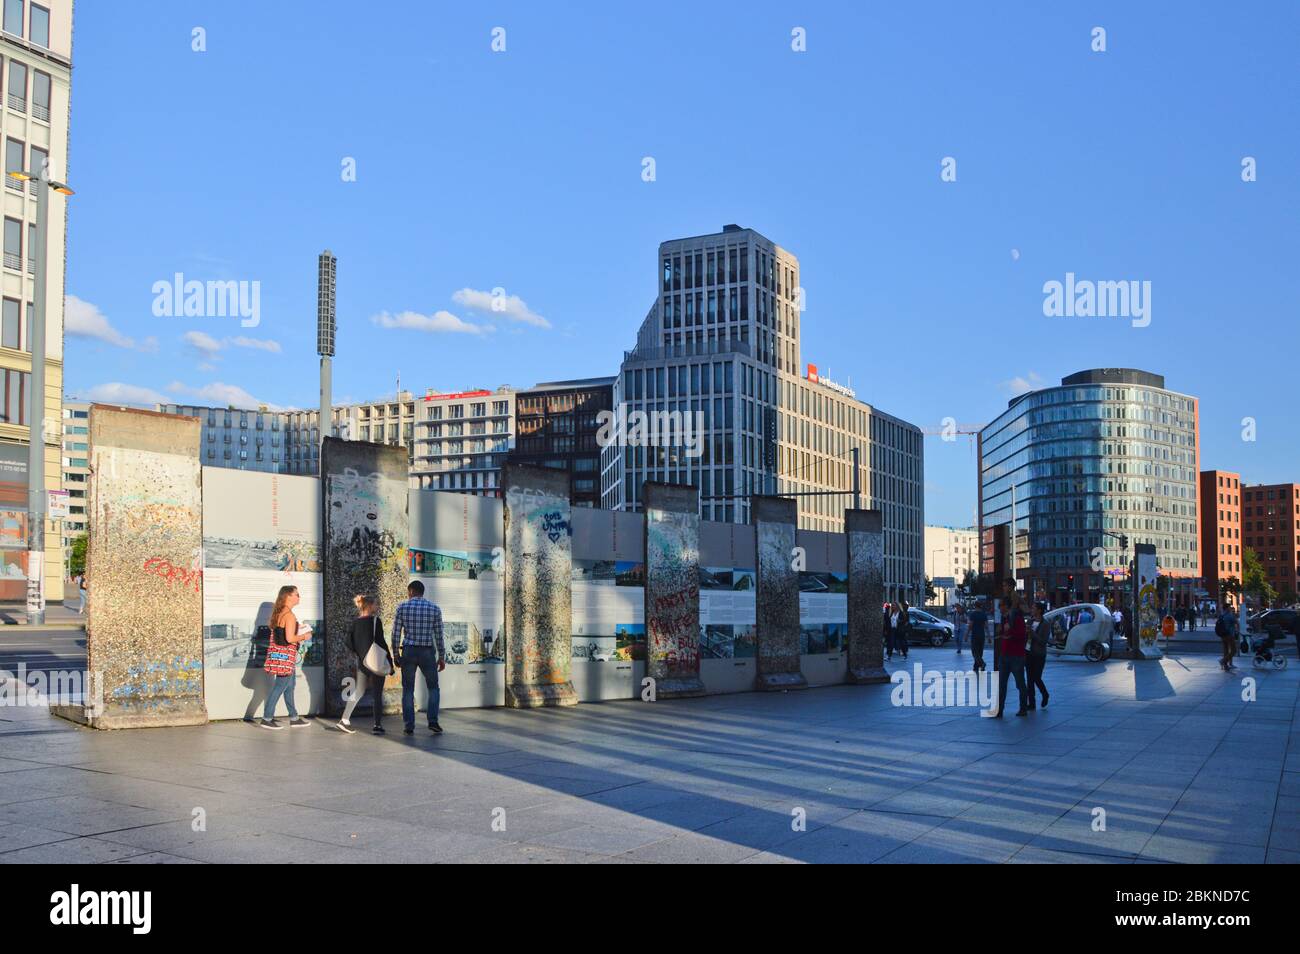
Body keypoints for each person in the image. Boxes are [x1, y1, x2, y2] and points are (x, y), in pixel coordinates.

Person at [393, 579, 446, 735]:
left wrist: (396, 653)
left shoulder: (402, 607)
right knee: (433, 687)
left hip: (409, 650)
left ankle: (409, 725)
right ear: (422, 592)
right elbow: (439, 635)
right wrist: (441, 656)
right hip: (427, 652)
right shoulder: (434, 609)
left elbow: (396, 632)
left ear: (410, 591)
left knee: (408, 688)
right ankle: (433, 721)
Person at [338, 594, 394, 735]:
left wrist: (359, 652)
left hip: (363, 663)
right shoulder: (376, 621)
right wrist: (390, 663)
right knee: (377, 693)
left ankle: (344, 719)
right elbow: (381, 643)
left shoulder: (355, 622)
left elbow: (348, 642)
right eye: (376, 604)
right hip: (376, 662)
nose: (377, 607)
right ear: (369, 606)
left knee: (359, 691)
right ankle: (377, 725)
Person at [261, 584, 312, 729]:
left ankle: (294, 717)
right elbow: (289, 639)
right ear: (288, 596)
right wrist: (304, 636)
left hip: (281, 657)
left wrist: (298, 629)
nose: (298, 597)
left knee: (289, 686)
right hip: (286, 658)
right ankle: (267, 717)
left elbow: (282, 635)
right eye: (296, 594)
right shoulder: (289, 615)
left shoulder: (279, 612)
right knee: (281, 686)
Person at [995, 595, 1029, 717]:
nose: (999, 608)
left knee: (1020, 683)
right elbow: (1005, 633)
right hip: (1005, 654)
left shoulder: (1016, 618)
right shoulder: (1004, 619)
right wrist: (1002, 632)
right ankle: (999, 710)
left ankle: (1023, 708)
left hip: (1016, 655)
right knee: (1001, 684)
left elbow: (1022, 635)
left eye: (1001, 605)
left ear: (1006, 606)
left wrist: (1009, 633)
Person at [1025, 601, 1050, 709]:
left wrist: (1031, 633)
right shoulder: (1030, 621)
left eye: (1034, 608)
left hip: (1039, 654)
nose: (1032, 609)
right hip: (1028, 652)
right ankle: (1032, 703)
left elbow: (1043, 641)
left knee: (1036, 677)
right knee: (1029, 679)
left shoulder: (1045, 624)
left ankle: (1045, 693)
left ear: (1039, 610)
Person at [1215, 603, 1238, 671]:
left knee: (1226, 650)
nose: (1230, 608)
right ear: (1227, 608)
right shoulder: (1229, 615)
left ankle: (1225, 666)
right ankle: (1223, 661)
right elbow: (1236, 622)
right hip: (1229, 635)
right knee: (1234, 650)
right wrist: (1237, 630)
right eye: (1229, 607)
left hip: (1222, 635)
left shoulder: (1221, 615)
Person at [968, 599, 989, 671]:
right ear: (980, 606)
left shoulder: (973, 614)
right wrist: (988, 637)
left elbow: (970, 625)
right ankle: (976, 667)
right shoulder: (984, 614)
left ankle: (982, 663)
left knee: (974, 652)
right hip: (982, 635)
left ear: (975, 606)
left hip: (975, 635)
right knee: (980, 652)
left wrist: (966, 634)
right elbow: (986, 626)